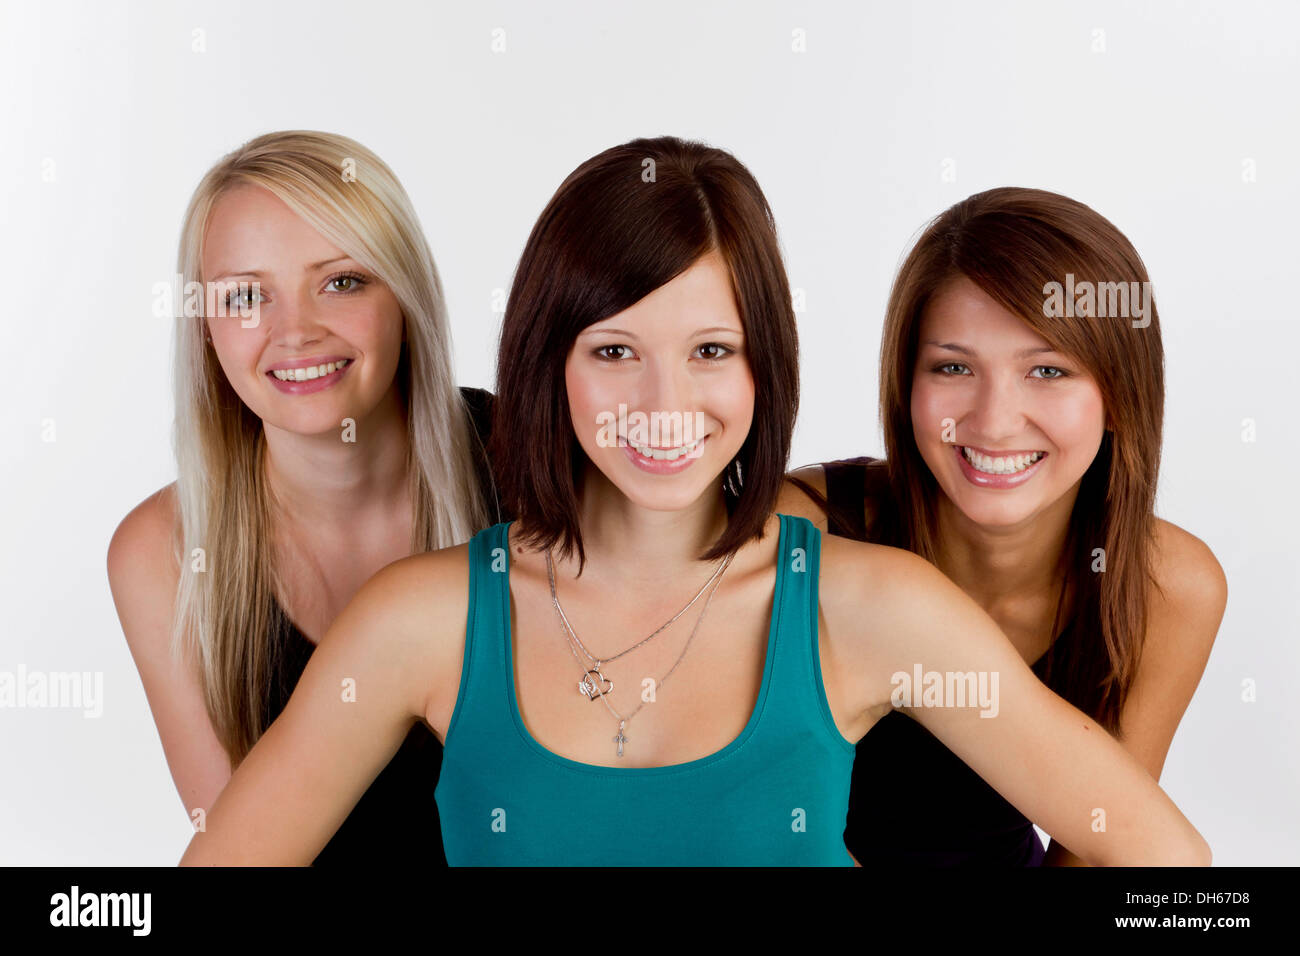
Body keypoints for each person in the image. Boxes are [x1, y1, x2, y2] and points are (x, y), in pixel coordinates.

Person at [180, 138, 1211, 866]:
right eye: (615, 350)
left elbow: (1161, 858)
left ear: (766, 366)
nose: (664, 402)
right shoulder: (420, 617)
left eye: (710, 350)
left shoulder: (870, 603)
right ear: (550, 367)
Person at [778, 187, 1227, 866]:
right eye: (954, 367)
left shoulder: (1171, 587)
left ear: (1119, 398)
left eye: (1048, 370)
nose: (993, 421)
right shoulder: (803, 535)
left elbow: (1105, 844)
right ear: (907, 386)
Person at [107, 130, 498, 866]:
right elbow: (243, 846)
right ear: (205, 328)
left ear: (405, 295)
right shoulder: (159, 553)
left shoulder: (534, 460)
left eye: (343, 281)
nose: (296, 331)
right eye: (246, 296)